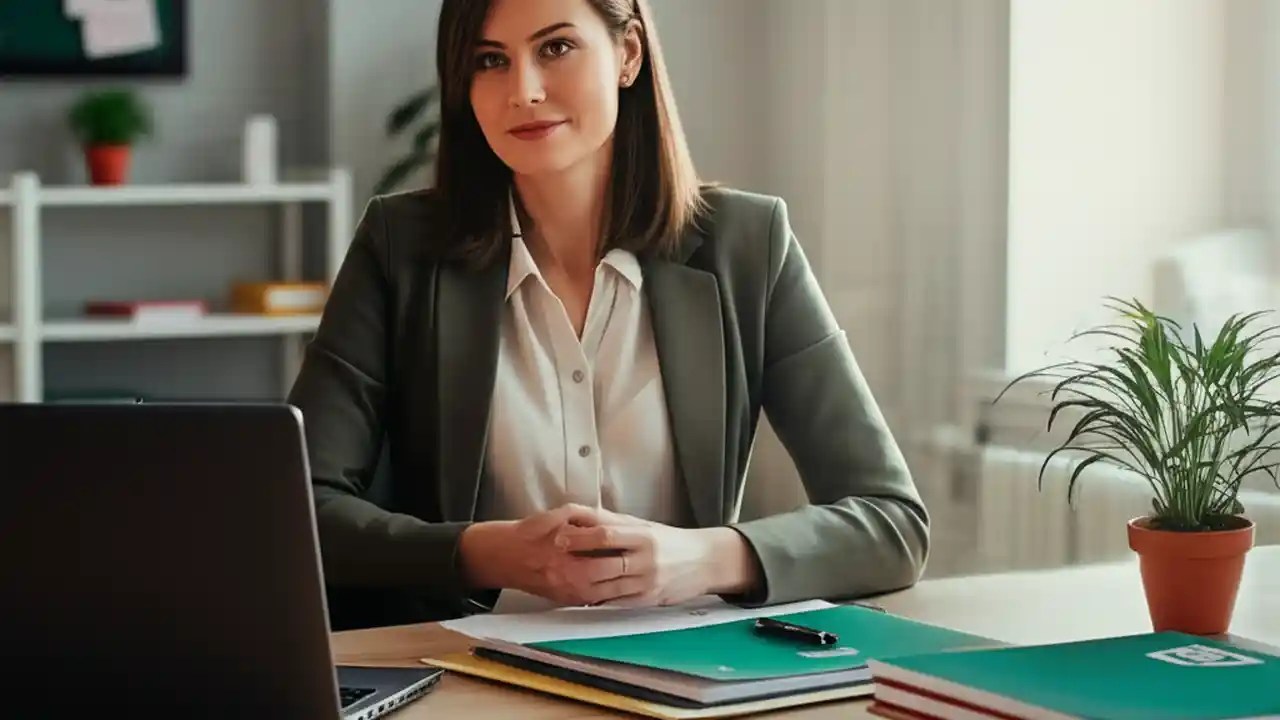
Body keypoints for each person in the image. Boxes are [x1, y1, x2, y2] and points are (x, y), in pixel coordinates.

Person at [288, 0, 929, 630]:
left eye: (556, 47)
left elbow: (891, 521)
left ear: (627, 54)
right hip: (463, 671)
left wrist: (701, 557)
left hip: (692, 674)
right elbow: (297, 508)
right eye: (490, 60)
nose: (524, 91)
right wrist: (488, 552)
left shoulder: (747, 245)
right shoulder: (400, 248)